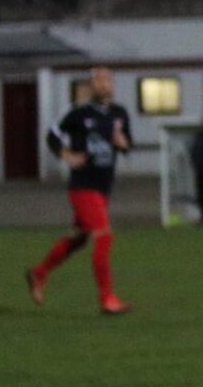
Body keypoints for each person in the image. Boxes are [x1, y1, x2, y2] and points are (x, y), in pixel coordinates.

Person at [25, 66, 133, 315]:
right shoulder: (77, 112)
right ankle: (107, 299)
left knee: (79, 239)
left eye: (107, 79)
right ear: (91, 86)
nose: (103, 84)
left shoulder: (120, 113)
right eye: (98, 80)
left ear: (113, 84)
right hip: (83, 187)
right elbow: (52, 135)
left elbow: (127, 145)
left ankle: (38, 273)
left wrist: (122, 143)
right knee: (104, 237)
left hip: (103, 188)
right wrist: (66, 155)